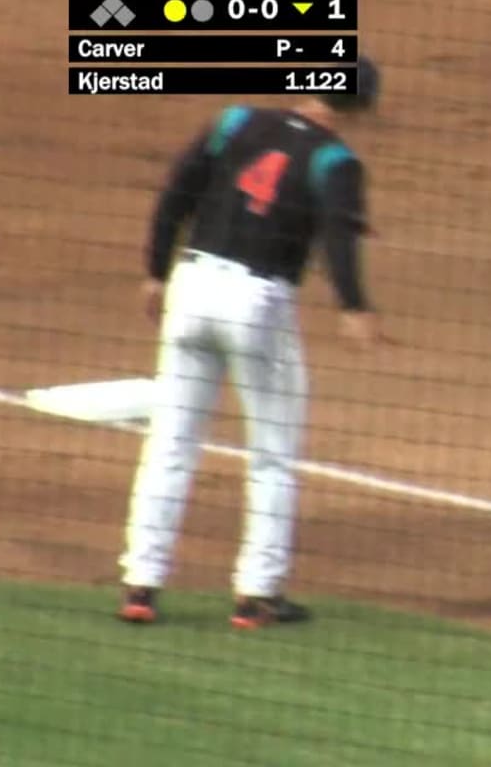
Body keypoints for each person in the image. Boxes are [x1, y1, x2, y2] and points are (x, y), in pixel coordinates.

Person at [115, 55, 385, 629]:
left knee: (171, 442)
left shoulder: (235, 121)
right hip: (256, 305)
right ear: (359, 108)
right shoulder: (336, 161)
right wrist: (354, 306)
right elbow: (339, 239)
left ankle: (140, 585)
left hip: (191, 288)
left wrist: (155, 271)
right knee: (272, 456)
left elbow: (176, 193)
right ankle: (256, 594)